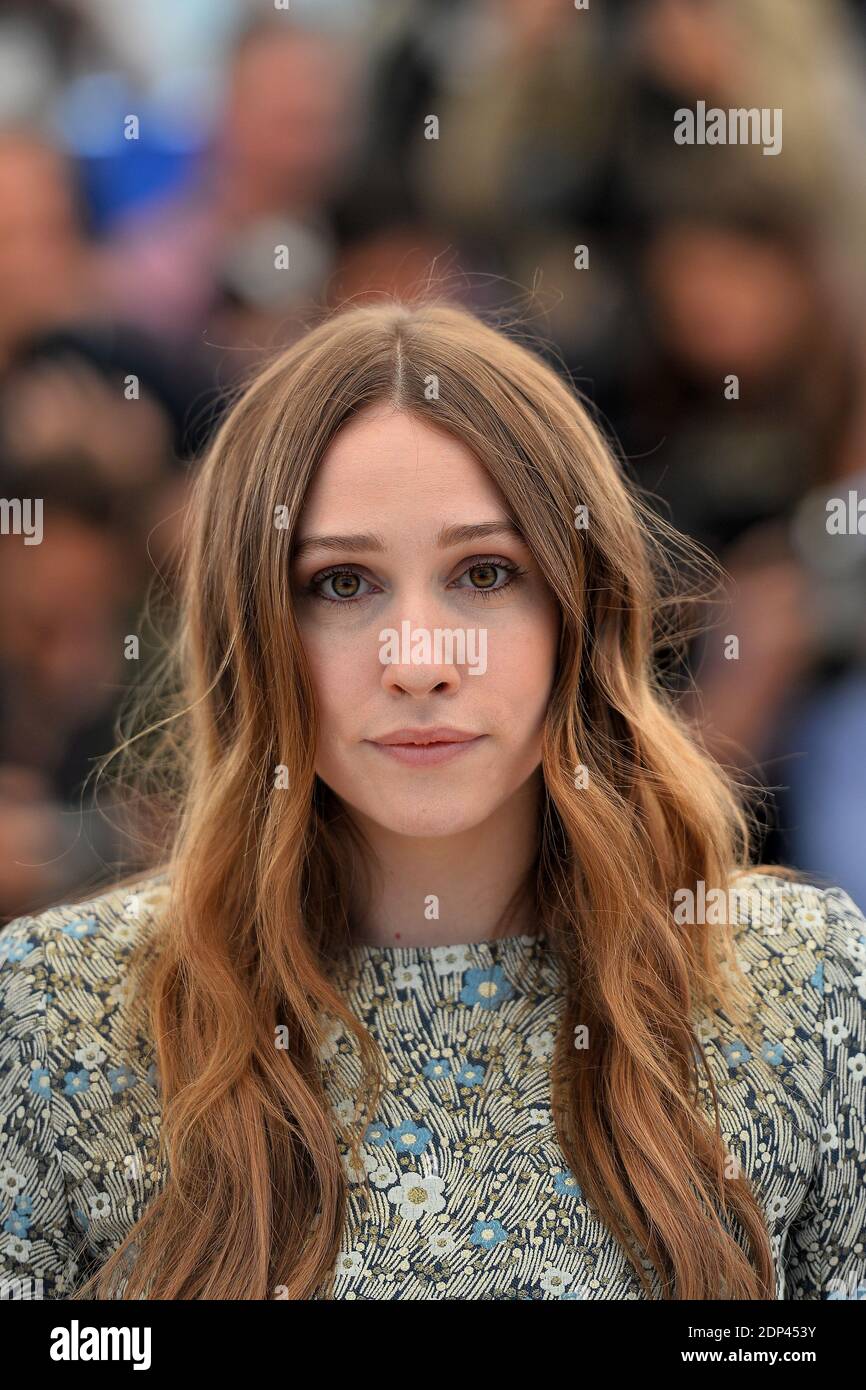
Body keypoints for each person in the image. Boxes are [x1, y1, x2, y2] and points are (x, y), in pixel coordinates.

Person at [0, 301, 864, 1301]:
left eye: (484, 572)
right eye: (340, 584)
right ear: (250, 628)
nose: (417, 660)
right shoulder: (59, 1010)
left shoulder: (796, 983)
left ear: (578, 608)